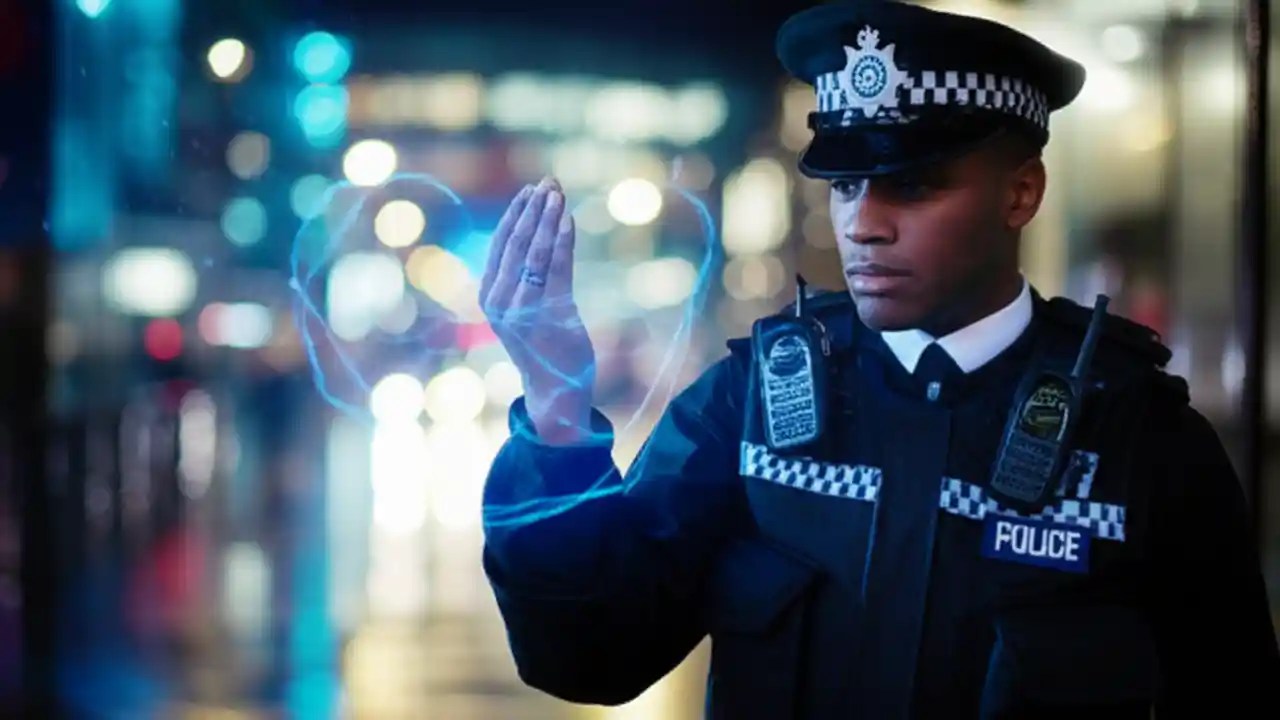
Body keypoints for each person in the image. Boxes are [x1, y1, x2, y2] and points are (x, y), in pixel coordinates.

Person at [476, 2, 1280, 718]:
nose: (863, 224)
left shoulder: (1143, 441)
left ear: (1021, 195)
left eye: (912, 186)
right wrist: (554, 409)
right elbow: (590, 655)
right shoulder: (752, 403)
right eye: (846, 185)